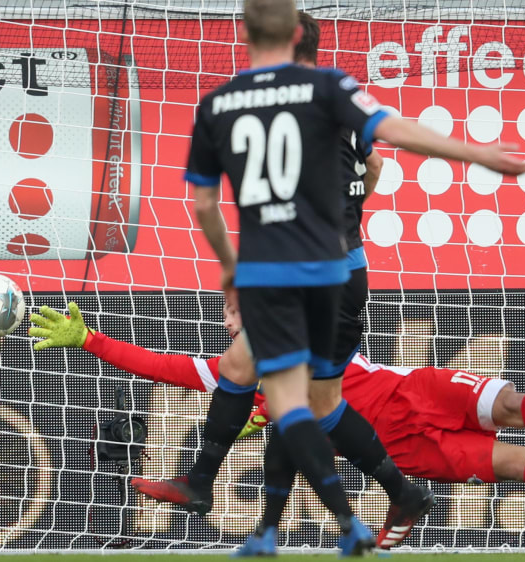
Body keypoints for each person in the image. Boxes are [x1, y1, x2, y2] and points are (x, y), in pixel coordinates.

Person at [186, 0, 523, 553]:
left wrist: (232, 272)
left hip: (289, 273)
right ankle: (290, 518)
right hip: (334, 270)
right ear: (298, 35)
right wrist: (475, 154)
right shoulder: (329, 91)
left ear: (245, 34)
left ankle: (309, 514)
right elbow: (388, 141)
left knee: (284, 396)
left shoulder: (225, 102)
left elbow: (205, 204)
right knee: (294, 396)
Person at [124, 11, 438, 549]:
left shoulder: (294, 103)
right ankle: (210, 486)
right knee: (277, 384)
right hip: (333, 270)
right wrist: (347, 215)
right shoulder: (333, 103)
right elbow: (375, 166)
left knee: (293, 394)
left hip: (323, 277)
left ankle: (217, 489)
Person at [28, 304, 525, 549]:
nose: (226, 324)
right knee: (515, 464)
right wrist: (89, 340)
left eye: (233, 312)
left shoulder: (299, 326)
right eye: (226, 315)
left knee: (511, 407)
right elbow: (162, 366)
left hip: (415, 392)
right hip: (397, 446)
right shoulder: (239, 377)